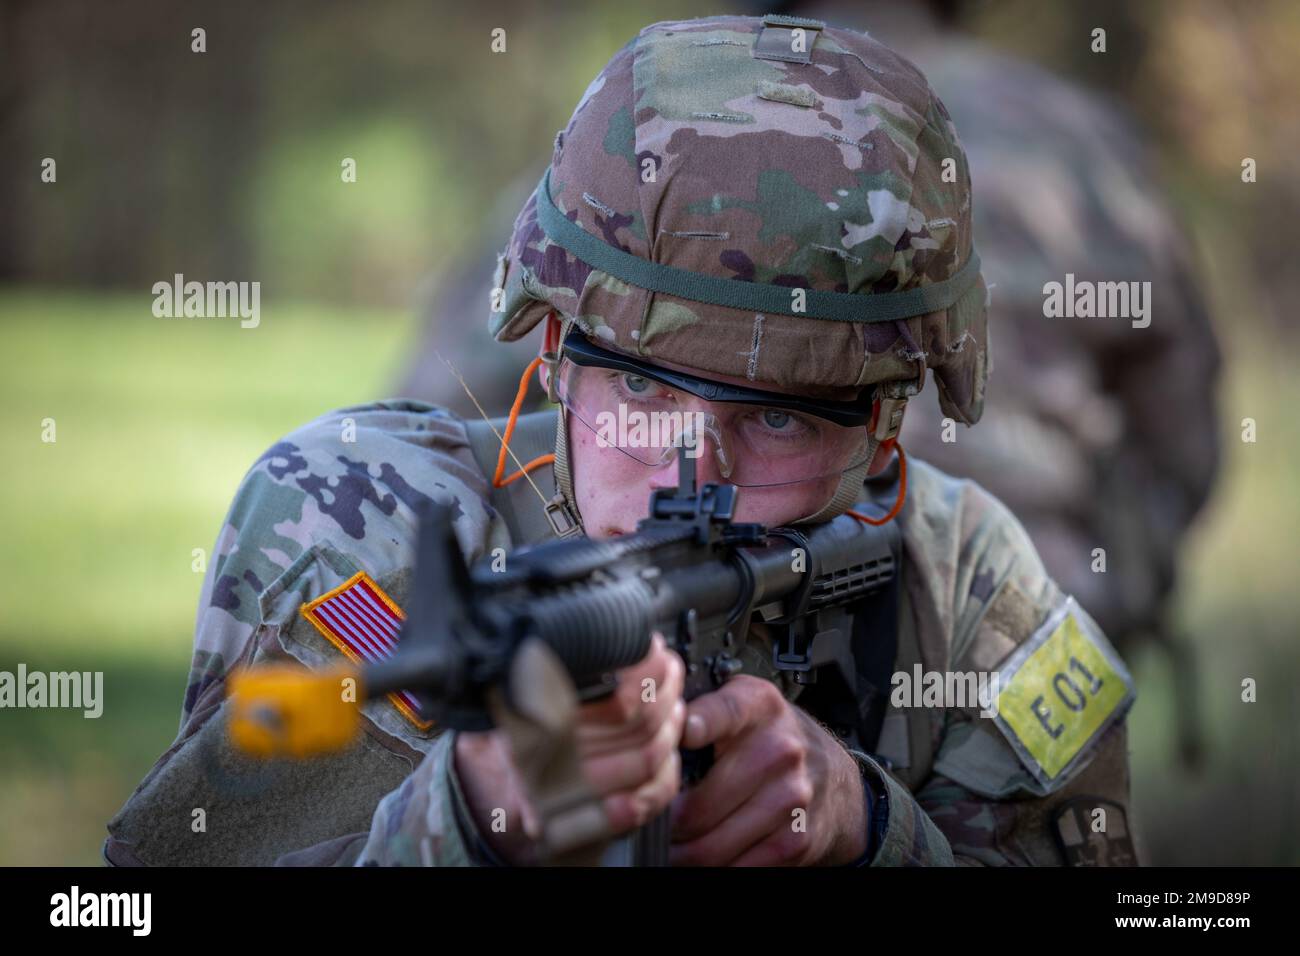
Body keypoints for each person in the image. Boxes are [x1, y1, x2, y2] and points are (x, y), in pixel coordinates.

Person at [105, 13, 1137, 868]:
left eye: (776, 416)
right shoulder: (359, 526)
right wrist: (465, 825)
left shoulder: (962, 587)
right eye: (641, 386)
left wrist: (867, 829)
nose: (689, 472)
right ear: (555, 352)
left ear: (880, 427)